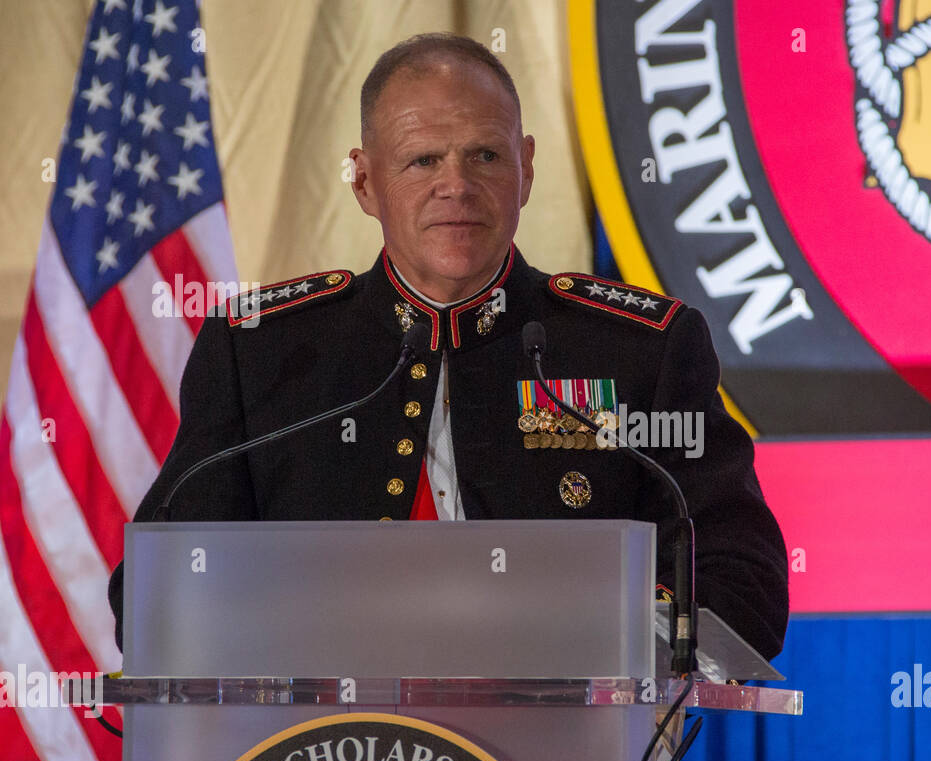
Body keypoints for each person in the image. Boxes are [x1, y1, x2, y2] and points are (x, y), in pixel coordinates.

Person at [107, 34, 788, 660]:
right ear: (366, 182)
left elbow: (744, 585)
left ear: (525, 167)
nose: (455, 186)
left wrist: (606, 634)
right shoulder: (261, 351)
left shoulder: (641, 349)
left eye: (484, 156)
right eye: (422, 160)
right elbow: (150, 593)